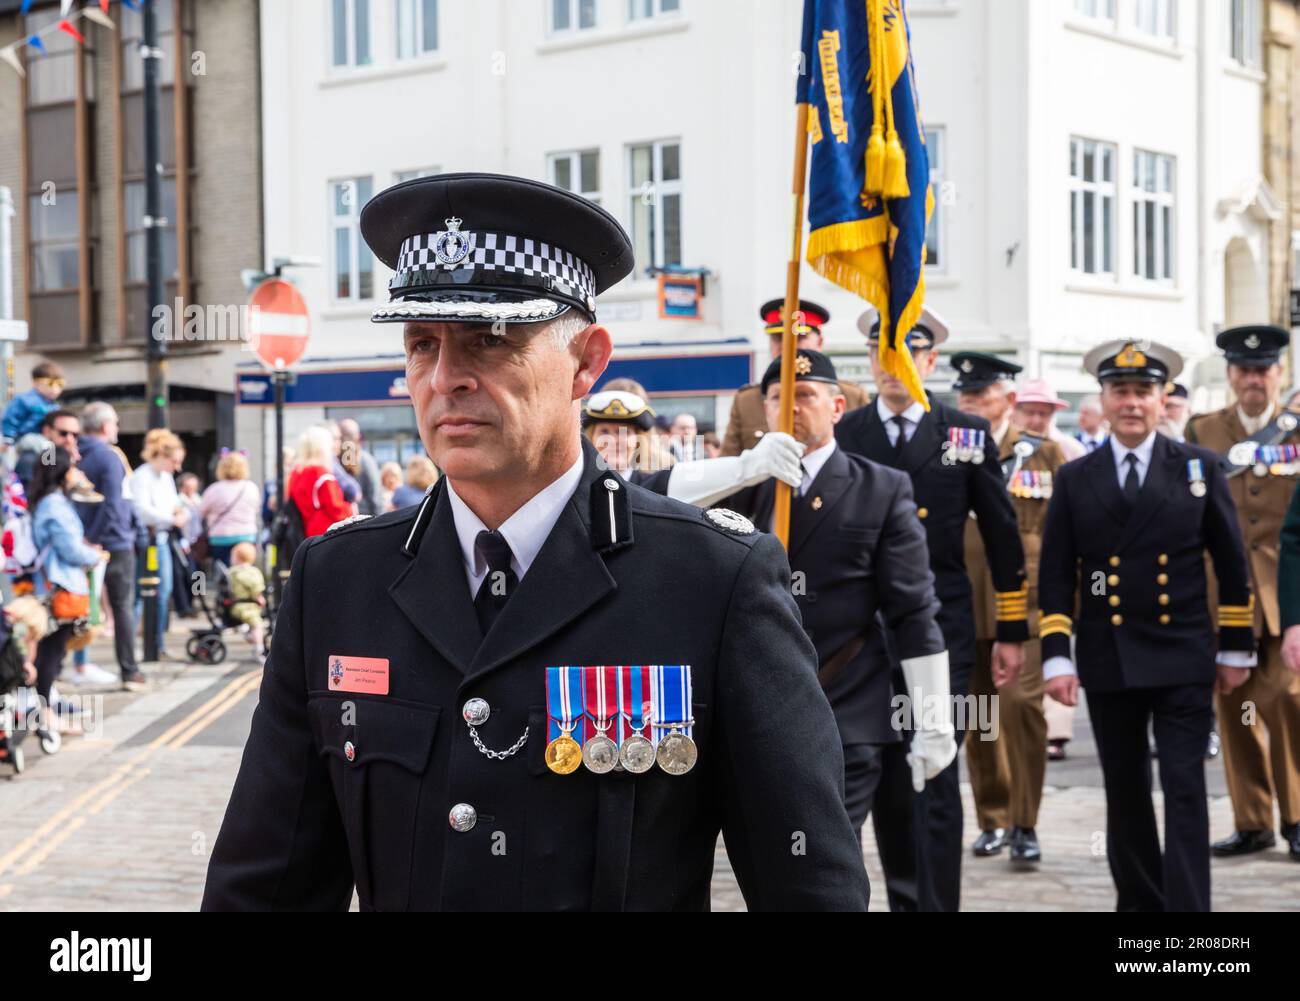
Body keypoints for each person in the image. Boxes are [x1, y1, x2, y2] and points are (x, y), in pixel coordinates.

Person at [202, 171, 869, 912]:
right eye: (422, 343)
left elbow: (810, 887)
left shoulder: (712, 581)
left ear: (586, 360)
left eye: (490, 340)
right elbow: (265, 885)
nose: (445, 378)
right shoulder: (337, 582)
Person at [1039, 339, 1255, 911]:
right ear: (1103, 401)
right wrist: (1058, 656)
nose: (1132, 402)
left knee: (1186, 788)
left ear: (1163, 400)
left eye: (1143, 392)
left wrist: (1236, 649)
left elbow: (1233, 564)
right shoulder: (1076, 476)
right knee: (1126, 789)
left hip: (1183, 651)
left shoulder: (1198, 468)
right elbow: (1057, 573)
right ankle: (1139, 906)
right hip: (1109, 654)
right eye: (1120, 392)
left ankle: (1186, 918)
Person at [711, 349, 953, 837]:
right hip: (756, 705)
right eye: (778, 397)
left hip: (845, 705)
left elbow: (912, 610)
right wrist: (742, 469)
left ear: (837, 407)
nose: (790, 407)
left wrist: (932, 719)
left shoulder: (879, 488)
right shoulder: (742, 487)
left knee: (828, 859)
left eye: (804, 395)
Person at [834, 307, 1028, 912]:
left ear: (929, 361)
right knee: (878, 775)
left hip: (941, 633)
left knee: (937, 775)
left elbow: (1002, 538)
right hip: (858, 640)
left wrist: (1013, 631)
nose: (894, 366)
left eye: (908, 353)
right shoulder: (846, 433)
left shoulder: (964, 435)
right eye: (882, 353)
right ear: (870, 360)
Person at [1185, 325, 1300, 861]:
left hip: (1287, 592)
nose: (1254, 379)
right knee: (1235, 709)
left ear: (1279, 372)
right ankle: (1251, 820)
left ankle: (1296, 817)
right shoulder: (1203, 429)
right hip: (1223, 594)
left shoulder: (1296, 431)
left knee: (1288, 703)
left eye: (1263, 369)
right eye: (1244, 370)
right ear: (1230, 375)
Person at [952, 353, 1064, 865]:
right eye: (967, 393)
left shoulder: (1042, 455)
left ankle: (1025, 820)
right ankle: (992, 818)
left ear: (1009, 400)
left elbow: (1065, 533)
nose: (973, 400)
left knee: (1020, 707)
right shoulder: (950, 447)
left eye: (984, 393)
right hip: (963, 600)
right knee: (979, 716)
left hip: (1027, 604)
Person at [1010, 379, 1080, 756]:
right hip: (1009, 583)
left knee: (1047, 664)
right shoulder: (1006, 449)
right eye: (1030, 410)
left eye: (1044, 412)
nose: (1036, 418)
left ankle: (1055, 733)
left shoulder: (1064, 451)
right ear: (1015, 410)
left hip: (1045, 582)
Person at [583, 389, 801, 504]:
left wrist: (752, 464)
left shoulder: (651, 484)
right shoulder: (577, 485)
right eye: (604, 432)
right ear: (591, 438)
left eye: (625, 433)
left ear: (639, 440)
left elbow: (686, 479)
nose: (614, 440)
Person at [721, 299, 870, 457]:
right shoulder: (747, 401)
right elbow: (729, 466)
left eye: (798, 337)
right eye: (778, 338)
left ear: (819, 342)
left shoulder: (853, 396)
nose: (787, 345)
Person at [30, 447, 110, 720]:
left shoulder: (53, 501)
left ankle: (45, 710)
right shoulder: (54, 504)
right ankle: (45, 715)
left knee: (50, 653)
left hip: (57, 586)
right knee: (50, 654)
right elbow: (70, 549)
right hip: (60, 588)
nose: (80, 472)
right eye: (75, 466)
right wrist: (95, 555)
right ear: (62, 471)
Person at [75, 403, 143, 690]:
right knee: (122, 606)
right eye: (114, 422)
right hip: (113, 541)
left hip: (77, 542)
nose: (117, 428)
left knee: (78, 608)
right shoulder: (109, 457)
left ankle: (78, 665)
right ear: (104, 426)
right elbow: (114, 504)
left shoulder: (72, 454)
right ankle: (130, 671)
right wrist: (96, 536)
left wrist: (85, 536)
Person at [131, 430, 188, 661]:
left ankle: (158, 643)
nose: (177, 467)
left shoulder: (165, 477)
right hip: (146, 540)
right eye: (174, 461)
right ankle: (135, 646)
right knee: (140, 595)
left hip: (163, 539)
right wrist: (171, 518)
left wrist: (180, 512)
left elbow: (174, 503)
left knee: (163, 593)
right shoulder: (142, 476)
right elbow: (142, 511)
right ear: (160, 455)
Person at [288, 426, 356, 537]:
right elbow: (337, 510)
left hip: (305, 532)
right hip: (325, 533)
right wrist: (352, 510)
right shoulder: (320, 473)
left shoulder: (296, 472)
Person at [198, 450, 262, 568]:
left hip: (220, 537)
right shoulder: (251, 487)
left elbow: (201, 512)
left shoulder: (214, 489)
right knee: (244, 571)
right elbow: (257, 509)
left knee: (223, 572)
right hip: (246, 536)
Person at [1015, 378, 1085, 463]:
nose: (1036, 420)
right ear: (1015, 412)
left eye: (1043, 413)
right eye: (1030, 412)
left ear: (1052, 414)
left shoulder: (1071, 450)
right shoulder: (1001, 444)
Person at [3, 360, 64, 442]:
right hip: (24, 441)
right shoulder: (24, 400)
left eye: (60, 384)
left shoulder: (55, 406)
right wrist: (8, 438)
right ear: (36, 383)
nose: (55, 388)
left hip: (46, 442)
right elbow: (10, 420)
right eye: (50, 383)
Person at [226, 542, 267, 659]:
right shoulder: (252, 572)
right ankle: (259, 647)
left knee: (251, 622)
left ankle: (247, 631)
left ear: (237, 558)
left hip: (235, 606)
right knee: (258, 624)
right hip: (247, 607)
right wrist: (260, 598)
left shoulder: (232, 572)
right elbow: (256, 587)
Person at [339, 419, 385, 516]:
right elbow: (376, 497)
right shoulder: (366, 460)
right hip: (365, 520)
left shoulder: (335, 462)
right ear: (358, 437)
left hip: (342, 521)